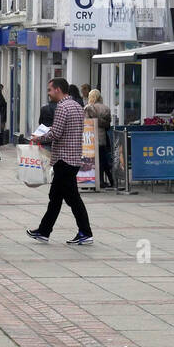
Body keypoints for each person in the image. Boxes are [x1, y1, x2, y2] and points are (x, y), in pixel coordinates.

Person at [27, 78, 94, 245]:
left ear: (58, 90)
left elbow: (56, 133)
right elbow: (67, 130)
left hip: (64, 160)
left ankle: (86, 233)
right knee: (55, 197)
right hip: (73, 159)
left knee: (73, 199)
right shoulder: (77, 106)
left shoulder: (62, 107)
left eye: (50, 90)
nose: (48, 93)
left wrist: (39, 138)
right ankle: (44, 231)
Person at [83, 88, 114, 189]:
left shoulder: (88, 108)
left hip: (90, 139)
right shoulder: (106, 108)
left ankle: (92, 181)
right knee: (102, 160)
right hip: (102, 139)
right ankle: (104, 180)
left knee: (91, 161)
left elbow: (86, 123)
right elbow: (108, 125)